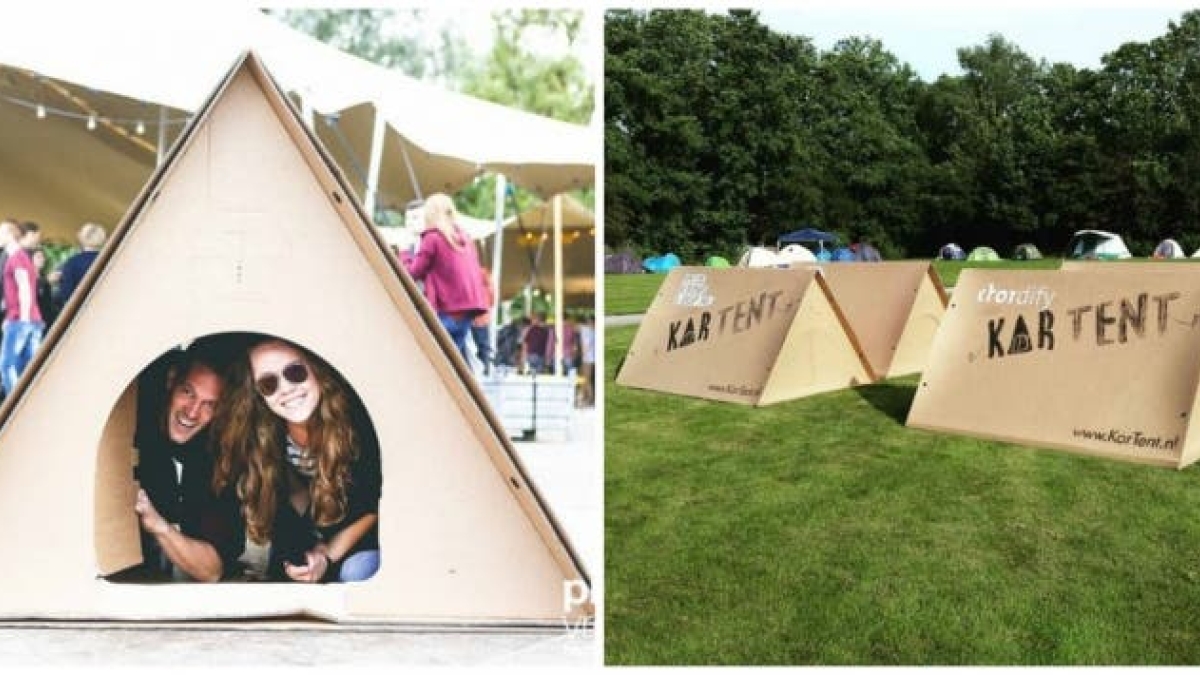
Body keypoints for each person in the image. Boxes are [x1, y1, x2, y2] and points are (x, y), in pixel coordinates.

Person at [214, 337, 381, 583]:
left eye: (295, 372)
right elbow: (280, 522)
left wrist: (327, 555)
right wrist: (302, 561)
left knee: (354, 572)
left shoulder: (358, 422)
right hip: (308, 540)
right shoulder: (262, 439)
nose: (286, 388)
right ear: (259, 396)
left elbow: (372, 505)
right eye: (269, 383)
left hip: (359, 539)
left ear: (315, 370)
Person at [129, 341, 244, 582]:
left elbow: (212, 569)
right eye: (188, 392)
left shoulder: (215, 454)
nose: (192, 412)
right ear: (171, 380)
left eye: (209, 404)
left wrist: (158, 526)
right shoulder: (134, 409)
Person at [402, 193, 490, 363]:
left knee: (430, 361)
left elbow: (412, 273)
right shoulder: (464, 237)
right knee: (450, 364)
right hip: (468, 312)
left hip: (447, 312)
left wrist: (405, 252)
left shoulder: (433, 238)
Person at [0, 220, 44, 396]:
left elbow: (24, 288)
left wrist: (21, 319)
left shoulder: (16, 258)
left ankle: (14, 404)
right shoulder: (22, 257)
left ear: (10, 235)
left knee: (8, 365)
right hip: (32, 319)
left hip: (20, 320)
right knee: (27, 367)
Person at [55, 222, 106, 310]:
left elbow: (66, 293)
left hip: (81, 310)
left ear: (82, 238)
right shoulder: (109, 260)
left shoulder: (72, 262)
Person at [469, 267, 495, 376]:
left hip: (470, 318)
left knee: (467, 347)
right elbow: (492, 301)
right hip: (483, 319)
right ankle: (485, 371)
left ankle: (475, 371)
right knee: (483, 347)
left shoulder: (470, 278)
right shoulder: (488, 284)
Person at [29, 248, 56, 328]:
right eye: (38, 257)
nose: (42, 259)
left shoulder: (43, 276)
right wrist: (46, 281)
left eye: (43, 257)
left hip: (48, 319)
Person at [578, 313, 595, 408]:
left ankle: (589, 398)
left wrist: (583, 356)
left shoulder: (587, 331)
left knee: (587, 379)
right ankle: (584, 397)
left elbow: (586, 346)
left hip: (588, 359)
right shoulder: (591, 330)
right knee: (586, 378)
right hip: (589, 358)